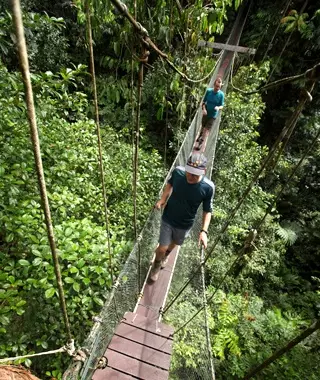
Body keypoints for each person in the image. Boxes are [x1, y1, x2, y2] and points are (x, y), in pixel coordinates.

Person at [148, 153, 215, 282]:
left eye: (195, 174)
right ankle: (156, 264)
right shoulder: (178, 172)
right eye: (189, 172)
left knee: (175, 243)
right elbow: (169, 184)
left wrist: (204, 231)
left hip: (185, 224)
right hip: (168, 217)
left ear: (203, 171)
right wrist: (162, 199)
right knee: (161, 247)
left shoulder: (208, 187)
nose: (190, 176)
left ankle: (166, 255)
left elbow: (207, 210)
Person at [195, 77, 224, 150]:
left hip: (213, 115)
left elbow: (222, 106)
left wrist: (218, 108)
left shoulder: (221, 95)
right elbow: (204, 102)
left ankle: (200, 143)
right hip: (206, 113)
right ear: (214, 85)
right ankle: (200, 136)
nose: (218, 88)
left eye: (219, 87)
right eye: (217, 86)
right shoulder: (208, 91)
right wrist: (204, 109)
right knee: (202, 127)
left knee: (206, 130)